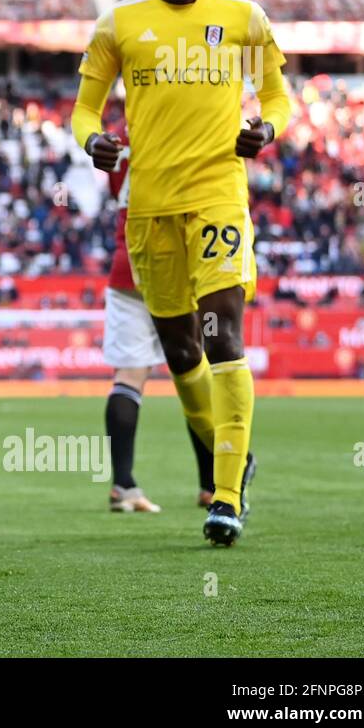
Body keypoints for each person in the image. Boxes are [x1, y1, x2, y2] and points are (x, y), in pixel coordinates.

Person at [73, 0, 289, 545]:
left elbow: (278, 95)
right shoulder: (119, 23)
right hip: (150, 209)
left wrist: (268, 128)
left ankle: (226, 495)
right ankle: (230, 453)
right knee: (181, 352)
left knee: (222, 336)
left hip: (218, 197)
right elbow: (84, 111)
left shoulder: (243, 18)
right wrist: (94, 143)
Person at [99, 126, 215, 513]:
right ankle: (212, 485)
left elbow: (116, 186)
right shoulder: (185, 124)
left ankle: (124, 485)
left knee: (128, 377)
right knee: (192, 371)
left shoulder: (118, 138)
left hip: (126, 261)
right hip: (173, 262)